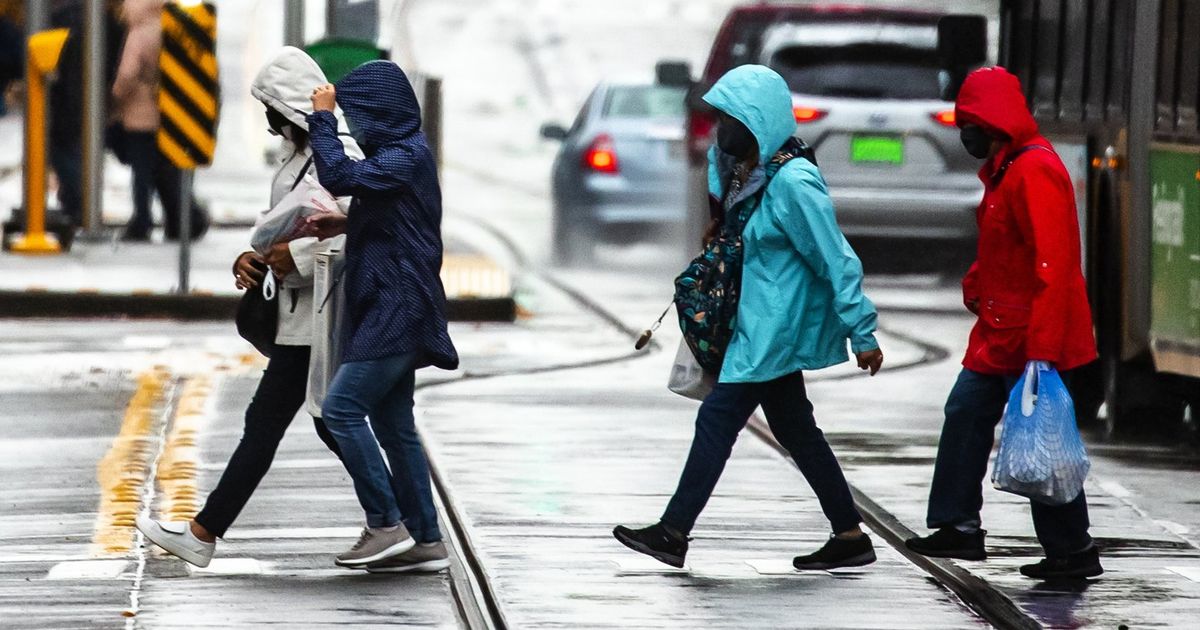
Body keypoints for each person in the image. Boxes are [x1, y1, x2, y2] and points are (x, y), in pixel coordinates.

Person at [612, 65, 885, 571]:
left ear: (755, 120)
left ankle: (673, 531)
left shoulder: (794, 182)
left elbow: (836, 258)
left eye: (728, 118)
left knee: (717, 419)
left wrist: (862, 332)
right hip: (754, 325)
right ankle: (849, 534)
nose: (719, 129)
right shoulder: (750, 178)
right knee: (796, 428)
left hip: (771, 332)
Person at [136, 47, 362, 568]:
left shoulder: (338, 153)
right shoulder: (295, 156)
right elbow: (283, 221)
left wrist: (297, 256)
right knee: (324, 423)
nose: (265, 119)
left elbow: (361, 228)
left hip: (318, 317)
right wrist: (254, 256)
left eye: (270, 107)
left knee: (279, 422)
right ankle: (399, 518)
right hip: (298, 316)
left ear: (290, 105)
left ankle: (204, 532)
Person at [904, 67, 1102, 580]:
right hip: (1001, 333)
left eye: (971, 122)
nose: (965, 133)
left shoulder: (1032, 171)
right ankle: (958, 526)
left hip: (1031, 335)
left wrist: (1044, 347)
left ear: (994, 122)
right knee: (966, 412)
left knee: (1041, 438)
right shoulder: (1007, 169)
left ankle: (1072, 549)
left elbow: (1053, 264)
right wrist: (978, 287)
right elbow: (1003, 250)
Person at [302, 61, 459, 573]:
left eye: (357, 116)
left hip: (399, 303)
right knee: (394, 424)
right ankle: (428, 538)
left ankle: (385, 522)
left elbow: (339, 173)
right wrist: (348, 220)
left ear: (378, 113)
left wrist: (321, 119)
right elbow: (392, 209)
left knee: (342, 408)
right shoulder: (402, 156)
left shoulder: (402, 155)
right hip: (391, 300)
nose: (356, 127)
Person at [111, 0, 209, 242]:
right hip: (172, 115)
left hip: (140, 114)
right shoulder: (176, 27)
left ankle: (141, 221)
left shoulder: (140, 33)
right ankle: (177, 220)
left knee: (141, 172)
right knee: (171, 170)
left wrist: (115, 96)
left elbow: (127, 74)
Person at [47, 0, 125, 229]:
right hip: (93, 95)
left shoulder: (61, 18)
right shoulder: (106, 20)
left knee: (62, 149)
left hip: (66, 97)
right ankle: (78, 202)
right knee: (80, 150)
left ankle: (79, 201)